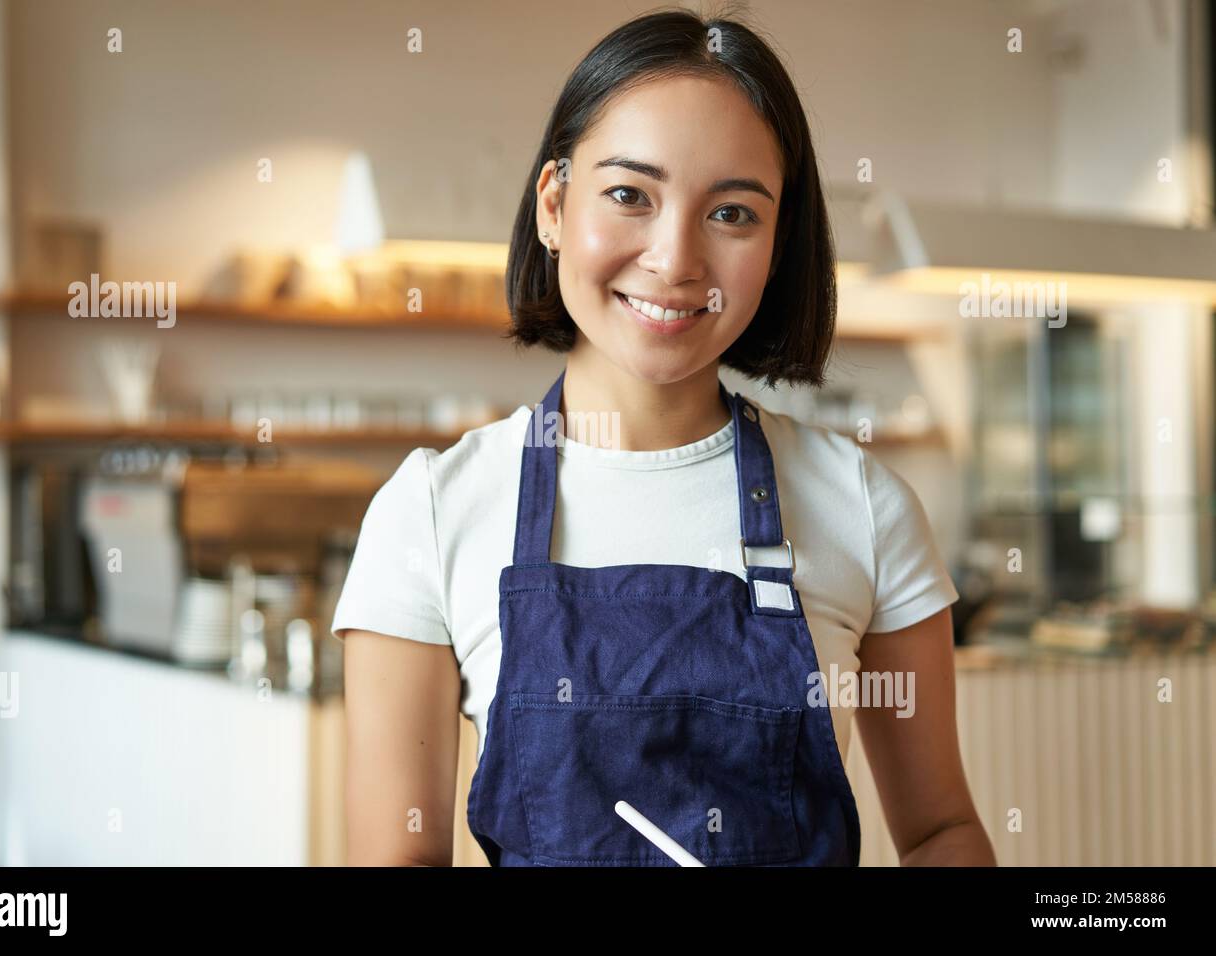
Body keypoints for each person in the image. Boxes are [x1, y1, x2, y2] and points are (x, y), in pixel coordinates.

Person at [334, 7, 995, 867]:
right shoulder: (430, 511)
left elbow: (942, 833)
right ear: (553, 206)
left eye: (732, 213)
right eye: (628, 195)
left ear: (778, 244)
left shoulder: (862, 507)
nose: (676, 259)